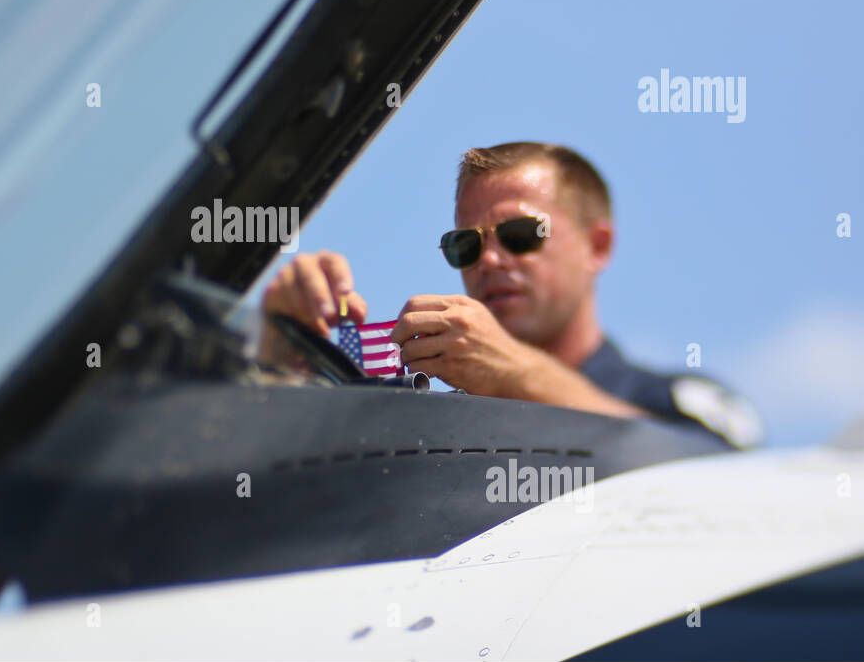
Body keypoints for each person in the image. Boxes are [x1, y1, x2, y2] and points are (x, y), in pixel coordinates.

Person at [261, 141, 761, 447]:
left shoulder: (672, 402)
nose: (489, 260)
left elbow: (725, 484)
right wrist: (283, 357)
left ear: (597, 245)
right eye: (465, 245)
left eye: (521, 235)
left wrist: (515, 374)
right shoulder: (432, 426)